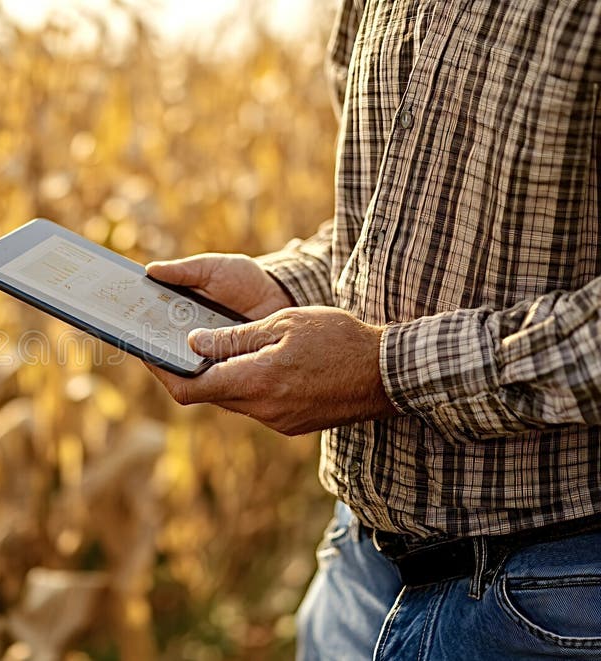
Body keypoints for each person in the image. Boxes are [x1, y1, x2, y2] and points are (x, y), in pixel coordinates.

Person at [144, 1, 601, 659]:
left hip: (556, 598)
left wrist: (385, 369)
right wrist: (289, 289)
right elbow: (377, 226)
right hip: (360, 567)